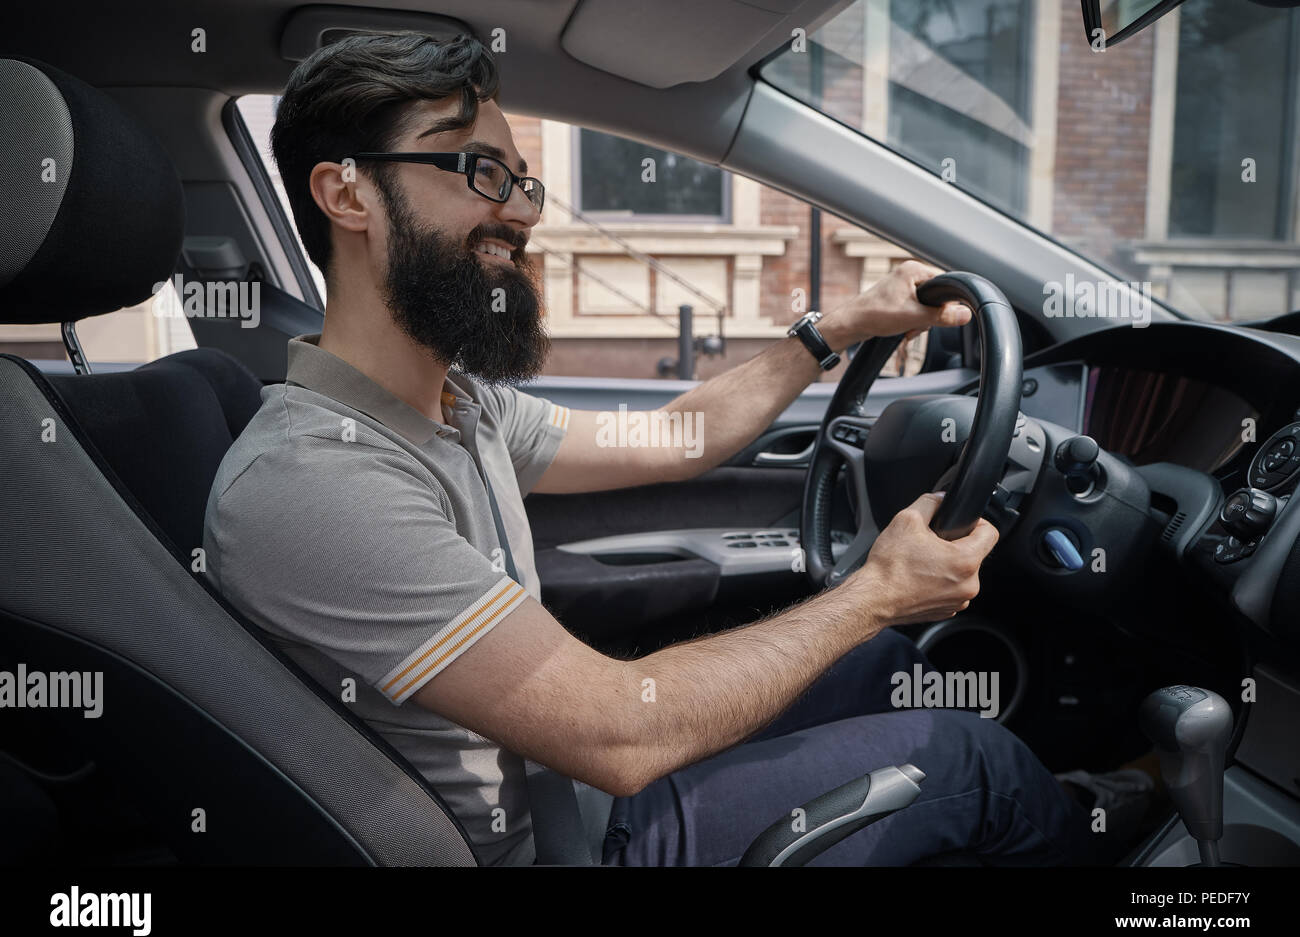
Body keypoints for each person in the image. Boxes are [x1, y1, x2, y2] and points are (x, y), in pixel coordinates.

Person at [203, 30, 1118, 866]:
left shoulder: (455, 405)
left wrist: (835, 325)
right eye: (481, 171)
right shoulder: (316, 479)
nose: (521, 214)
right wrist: (877, 592)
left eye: (524, 182)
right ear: (345, 193)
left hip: (565, 790)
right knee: (973, 761)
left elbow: (678, 436)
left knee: (882, 672)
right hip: (555, 844)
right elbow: (619, 736)